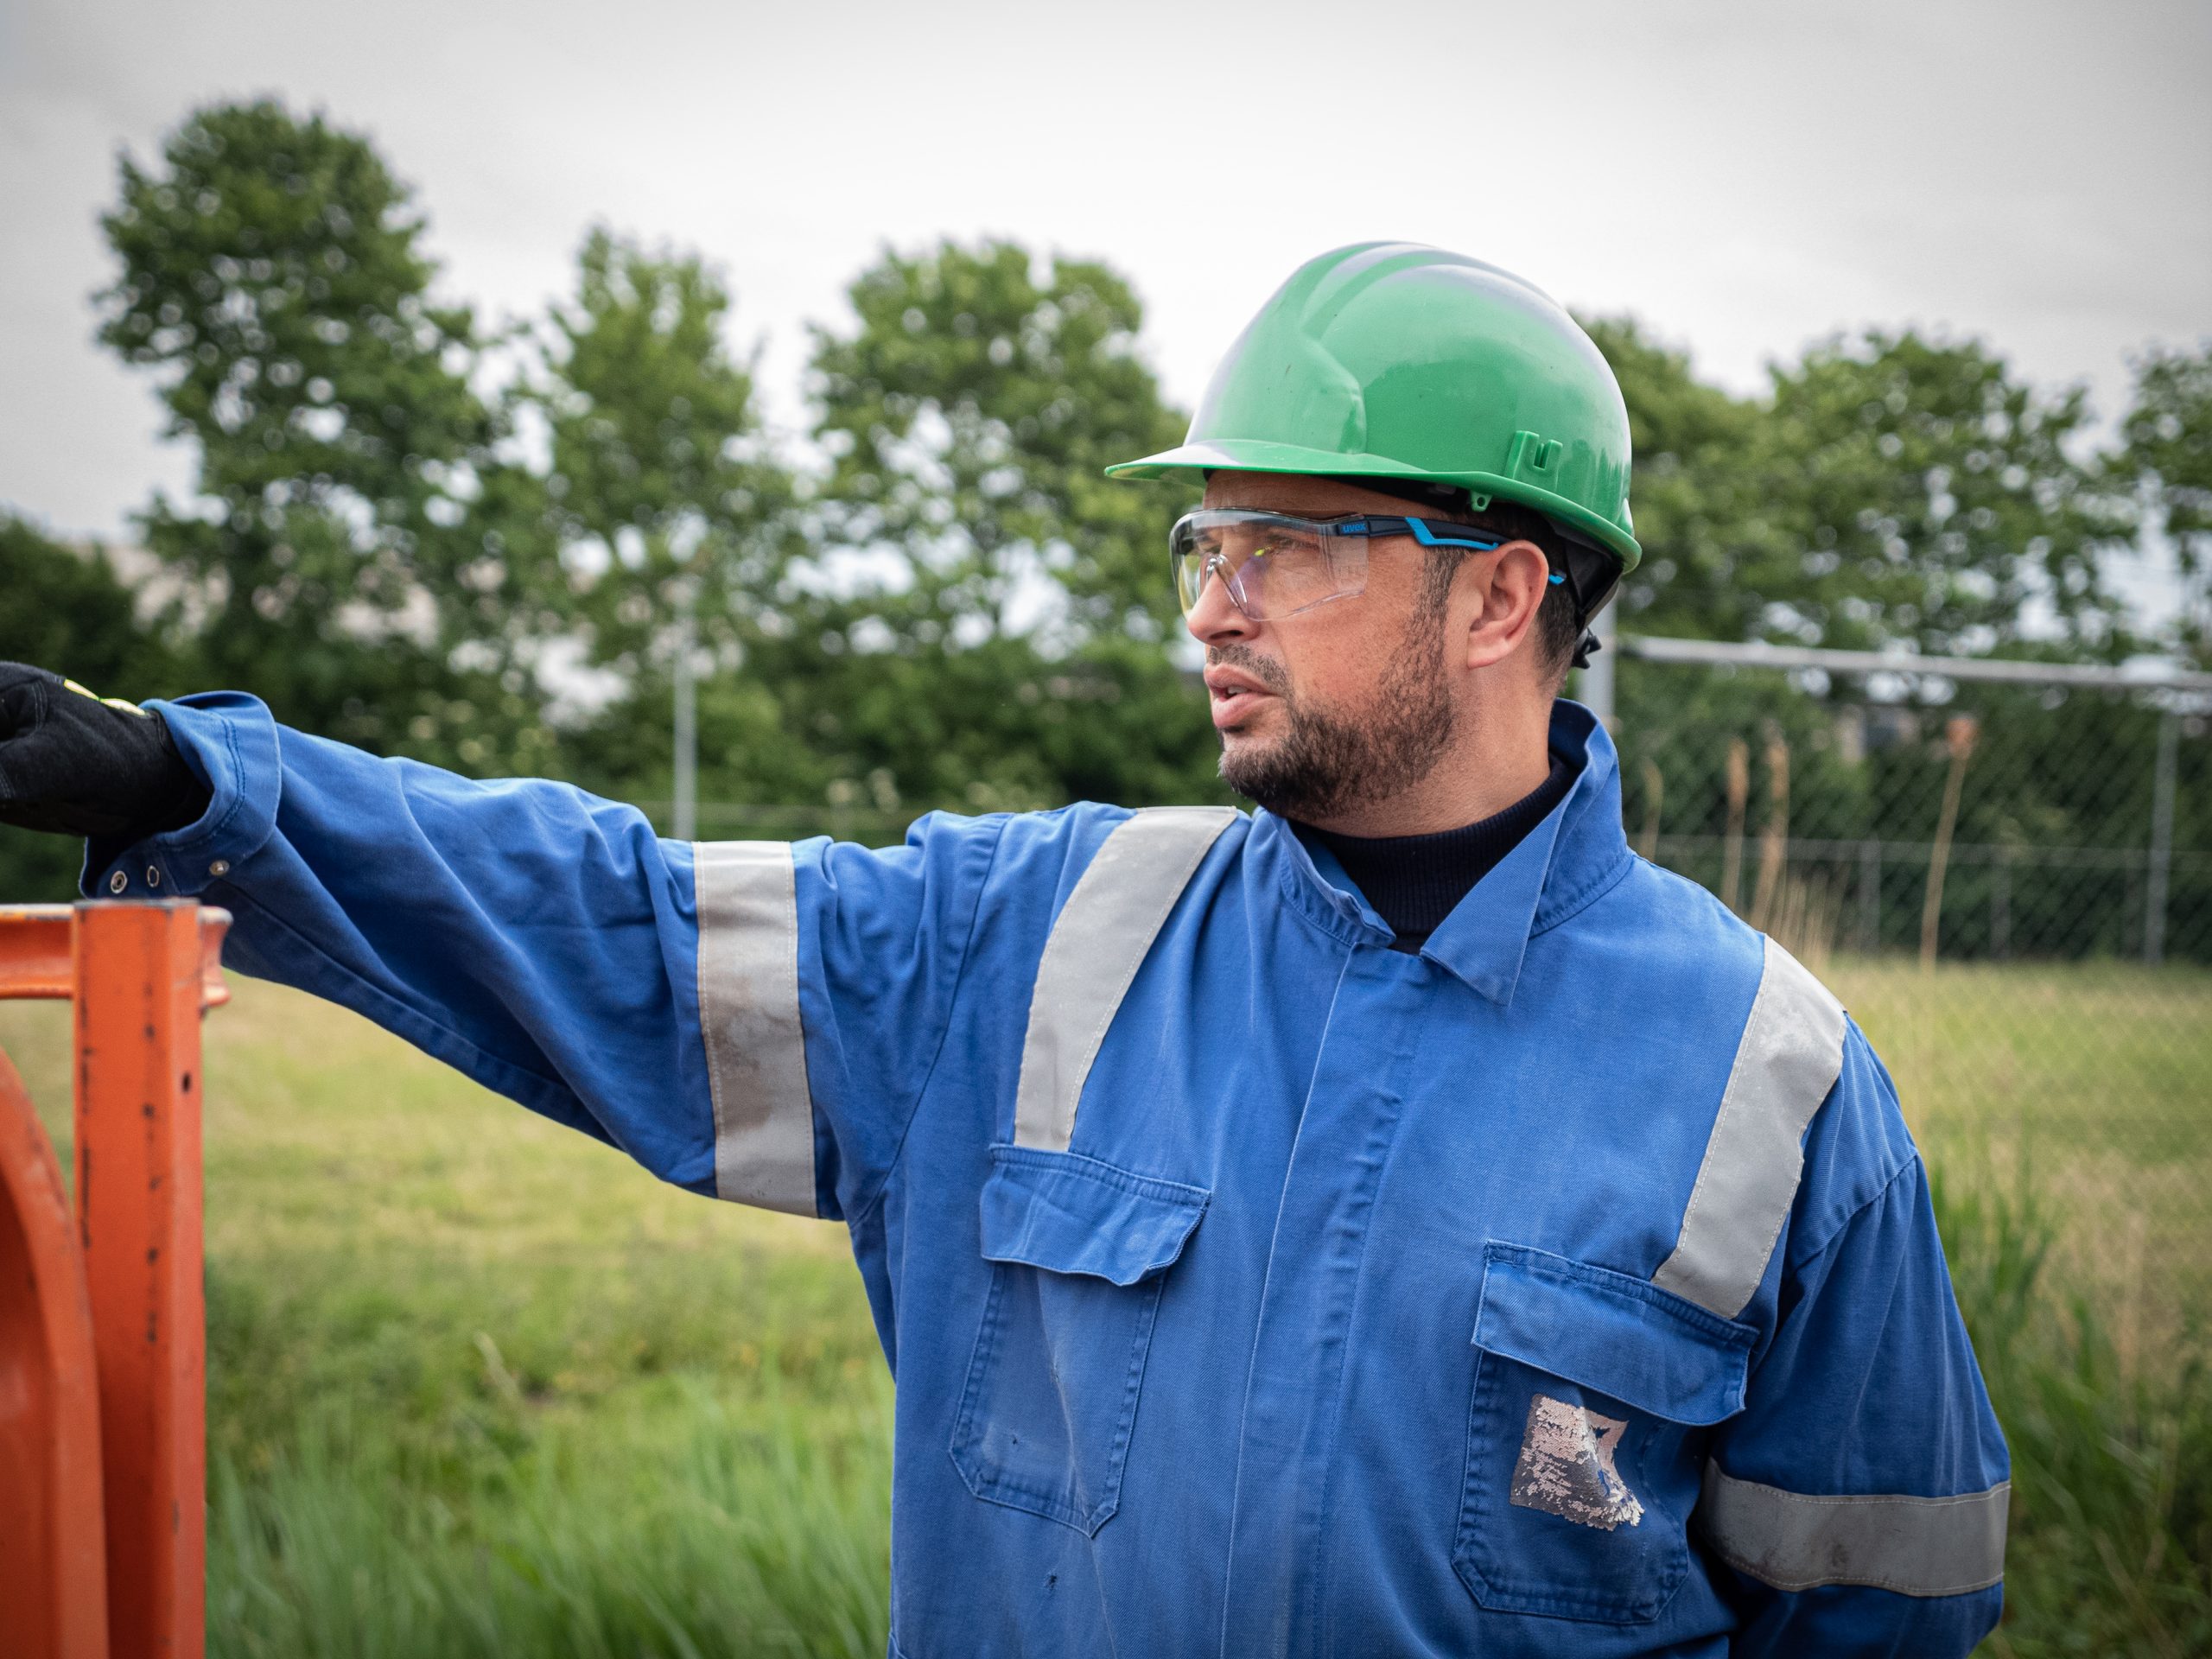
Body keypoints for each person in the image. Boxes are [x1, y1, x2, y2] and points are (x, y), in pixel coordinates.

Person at [0, 243, 2007, 1657]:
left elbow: (1879, 1598)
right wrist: (192, 785)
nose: (1209, 608)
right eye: (1197, 545)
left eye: (1283, 544)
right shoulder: (1026, 940)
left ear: (1497, 596)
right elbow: (608, 919)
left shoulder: (1771, 1081)